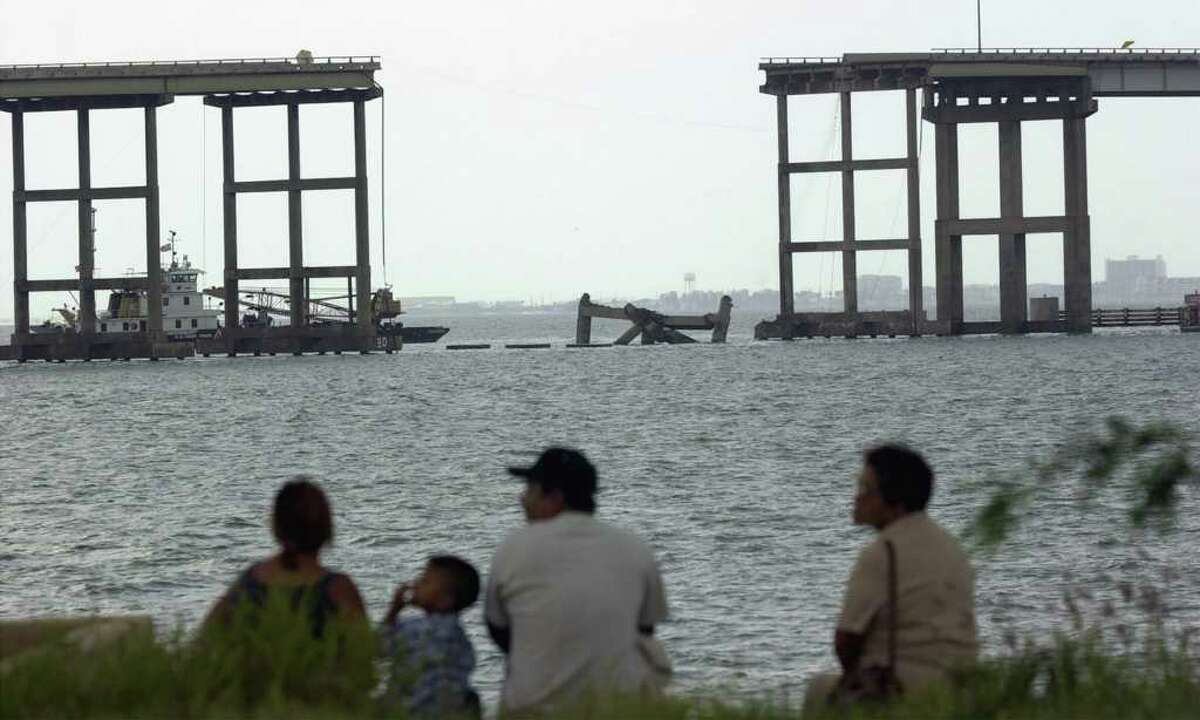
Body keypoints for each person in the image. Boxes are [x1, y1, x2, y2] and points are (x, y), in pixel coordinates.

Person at [485, 447, 670, 714]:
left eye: (530, 490)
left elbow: (498, 629)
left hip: (533, 710)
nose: (522, 499)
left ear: (554, 497)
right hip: (618, 709)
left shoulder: (514, 547)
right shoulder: (634, 547)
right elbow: (645, 629)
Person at [805, 445, 978, 710]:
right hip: (961, 687)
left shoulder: (882, 553)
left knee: (818, 688)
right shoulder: (953, 548)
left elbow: (845, 641)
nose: (857, 498)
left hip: (902, 689)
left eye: (865, 489)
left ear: (893, 500)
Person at [203, 478, 368, 637]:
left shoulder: (250, 581)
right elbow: (362, 653)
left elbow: (205, 638)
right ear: (326, 527)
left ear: (277, 527)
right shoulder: (338, 589)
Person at [381, 555, 481, 718]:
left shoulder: (414, 628)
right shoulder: (461, 638)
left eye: (425, 581)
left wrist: (394, 609)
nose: (416, 584)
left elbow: (380, 647)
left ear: (444, 600)